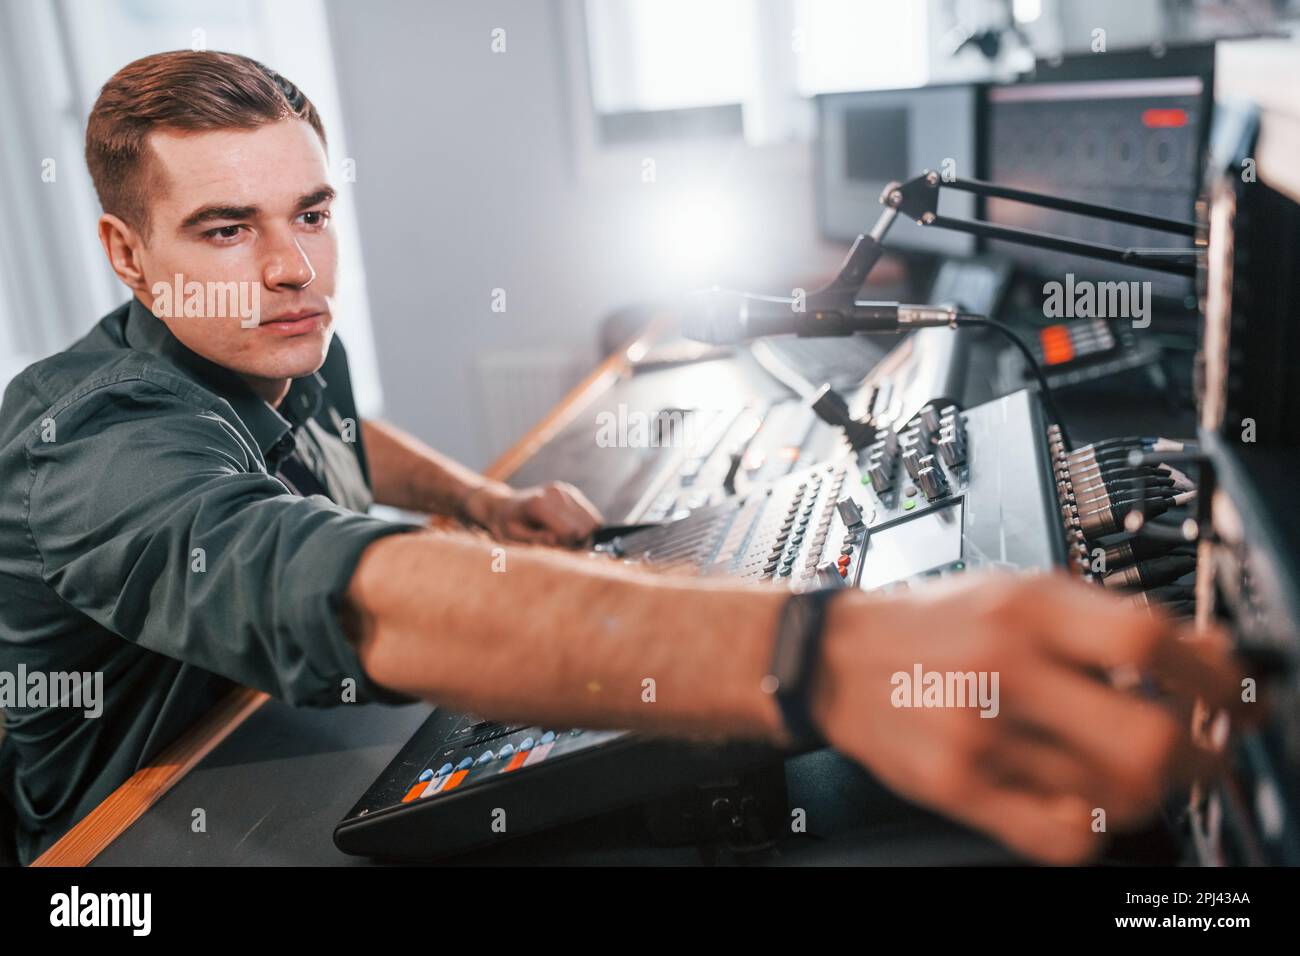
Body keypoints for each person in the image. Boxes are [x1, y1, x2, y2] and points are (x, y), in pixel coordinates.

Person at [0, 51, 1240, 866]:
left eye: (311, 213)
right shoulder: (92, 443)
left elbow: (341, 436)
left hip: (285, 742)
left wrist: (485, 502)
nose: (292, 266)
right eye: (225, 227)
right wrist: (832, 654)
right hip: (138, 839)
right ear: (125, 250)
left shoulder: (267, 323)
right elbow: (327, 576)